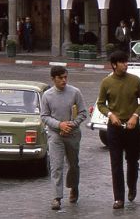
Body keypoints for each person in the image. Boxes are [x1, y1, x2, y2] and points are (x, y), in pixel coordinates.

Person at [96, 50, 140, 209]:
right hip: (115, 128)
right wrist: (110, 115)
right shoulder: (106, 82)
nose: (126, 64)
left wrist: (135, 116)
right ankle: (119, 198)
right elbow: (100, 104)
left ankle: (132, 186)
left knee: (132, 161)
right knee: (116, 163)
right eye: (122, 62)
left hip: (132, 127)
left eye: (126, 62)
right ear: (114, 65)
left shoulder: (135, 80)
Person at [40, 65, 87, 211]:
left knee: (73, 164)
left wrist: (71, 124)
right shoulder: (47, 95)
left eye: (66, 77)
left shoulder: (75, 92)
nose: (64, 80)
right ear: (53, 79)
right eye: (60, 78)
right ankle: (56, 197)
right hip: (56, 135)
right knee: (56, 165)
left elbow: (83, 112)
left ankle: (74, 186)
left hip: (72, 134)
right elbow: (44, 116)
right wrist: (59, 125)